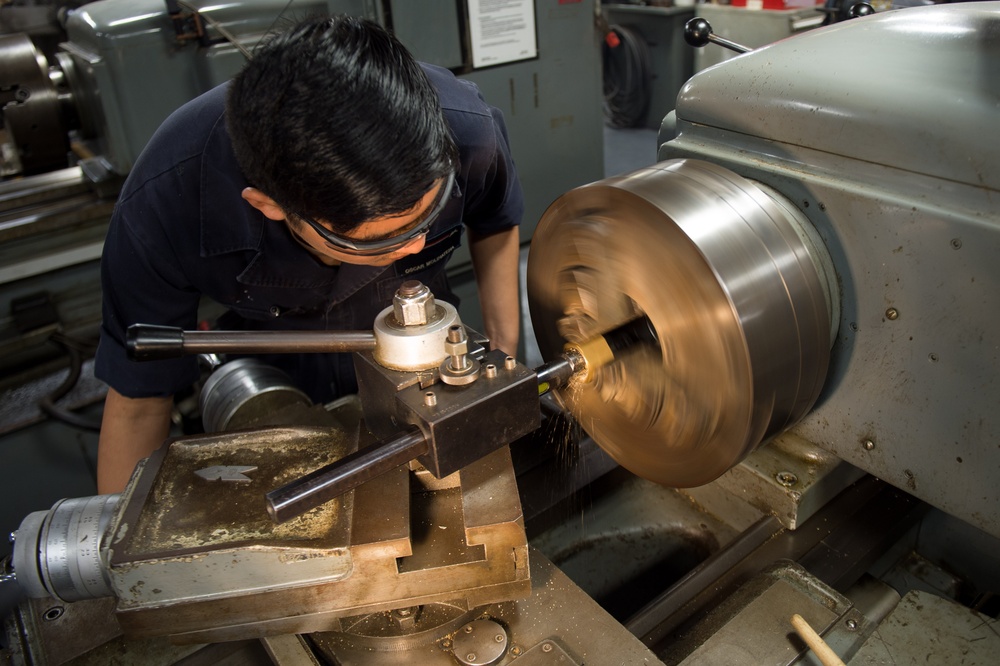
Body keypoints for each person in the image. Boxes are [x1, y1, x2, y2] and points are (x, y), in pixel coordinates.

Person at [94, 16, 523, 494]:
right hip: (279, 369)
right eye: (376, 240)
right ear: (270, 205)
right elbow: (138, 403)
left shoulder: (468, 131)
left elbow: (497, 223)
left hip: (430, 359)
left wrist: (503, 362)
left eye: (428, 217)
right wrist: (117, 548)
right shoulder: (167, 204)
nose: (417, 246)